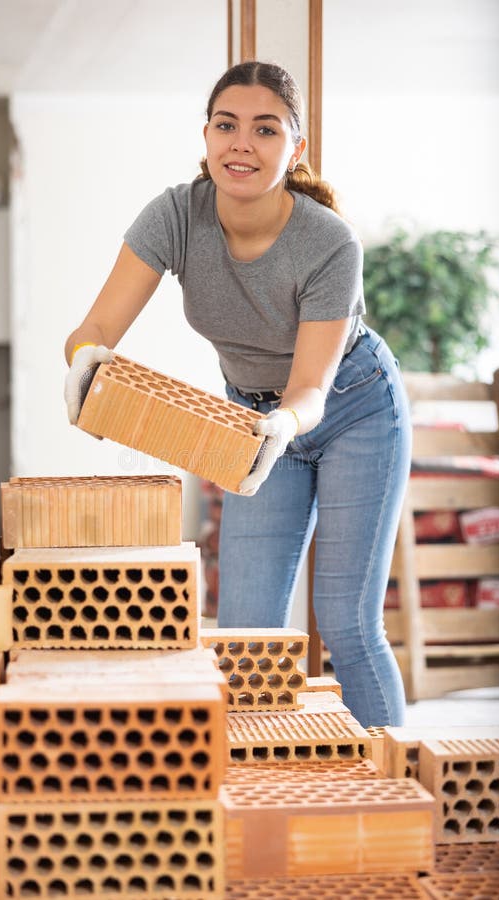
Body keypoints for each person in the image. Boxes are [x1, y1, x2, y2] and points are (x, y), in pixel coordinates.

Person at [64, 60, 412, 727]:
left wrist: (285, 423)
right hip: (249, 423)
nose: (241, 144)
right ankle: (255, 795)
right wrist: (85, 364)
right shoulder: (174, 215)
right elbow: (96, 328)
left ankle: (398, 793)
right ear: (206, 136)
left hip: (353, 409)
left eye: (265, 129)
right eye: (227, 126)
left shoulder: (329, 242)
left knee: (347, 622)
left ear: (295, 148)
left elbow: (310, 388)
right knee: (245, 636)